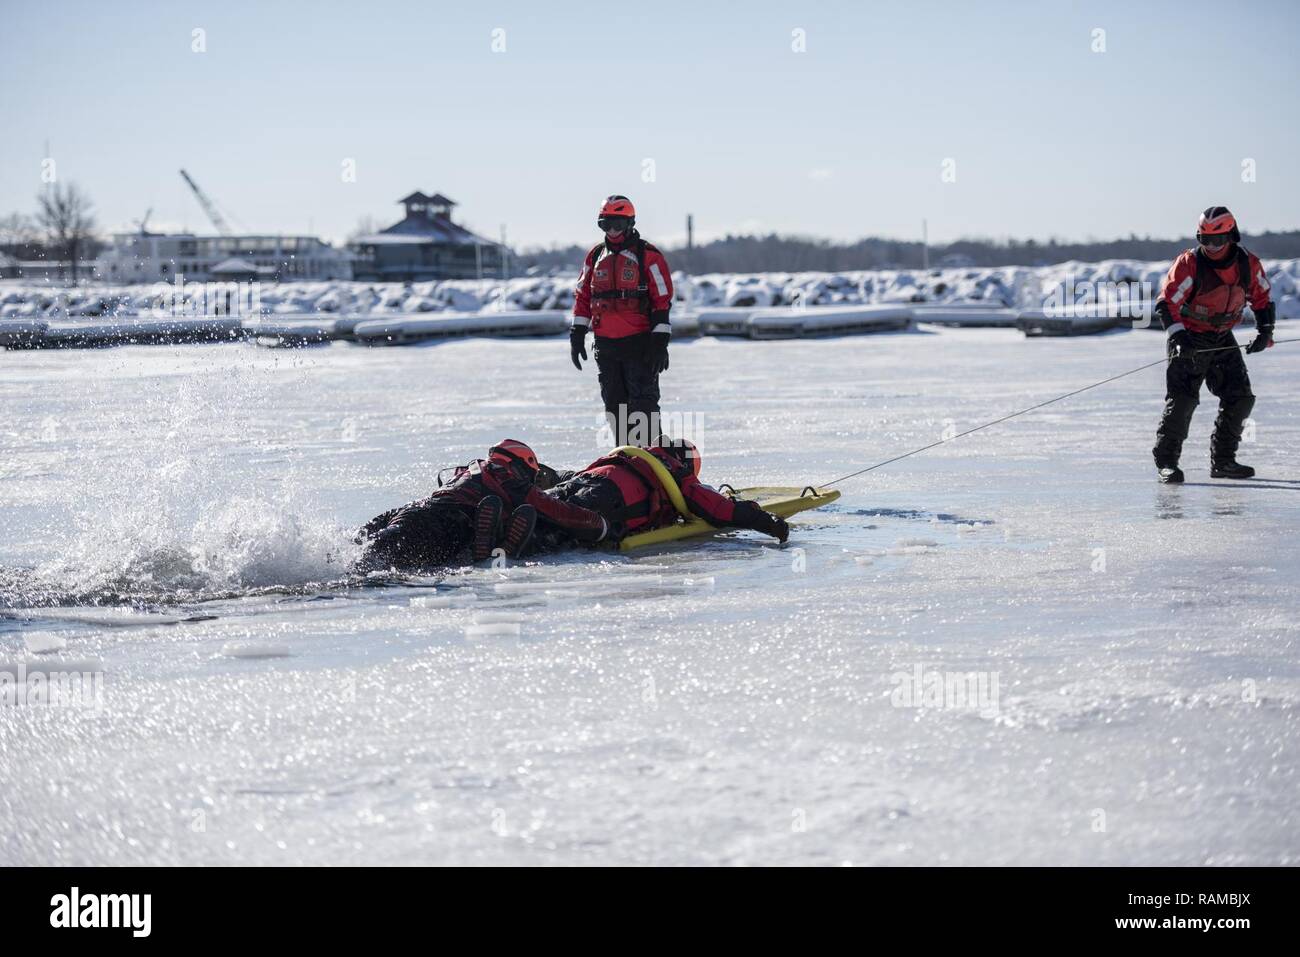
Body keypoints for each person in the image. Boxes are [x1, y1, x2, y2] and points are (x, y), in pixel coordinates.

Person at [1152, 207, 1275, 483]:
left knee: (1240, 397)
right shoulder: (1190, 264)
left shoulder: (1247, 264)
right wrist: (1179, 338)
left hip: (1221, 336)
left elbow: (1262, 298)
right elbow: (1166, 303)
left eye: (1217, 241)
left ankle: (1223, 461)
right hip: (1190, 335)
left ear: (1231, 236)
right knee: (1182, 400)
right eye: (1204, 240)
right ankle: (1167, 463)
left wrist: (1265, 331)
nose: (1210, 247)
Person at [357, 439, 611, 571]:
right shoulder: (513, 482)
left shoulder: (470, 470)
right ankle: (490, 548)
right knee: (378, 562)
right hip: (447, 527)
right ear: (522, 466)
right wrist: (601, 527)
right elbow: (560, 512)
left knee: (369, 550)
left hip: (415, 511)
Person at [534, 437, 789, 551]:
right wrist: (767, 522)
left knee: (546, 505)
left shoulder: (633, 457)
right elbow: (719, 510)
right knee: (558, 532)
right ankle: (531, 537)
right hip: (611, 502)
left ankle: (507, 520)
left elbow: (572, 476)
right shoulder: (678, 476)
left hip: (586, 480)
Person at [569, 195, 674, 447]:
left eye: (617, 224)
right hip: (606, 346)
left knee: (643, 406)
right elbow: (583, 296)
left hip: (639, 345)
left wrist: (660, 340)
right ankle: (627, 457)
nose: (612, 231)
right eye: (606, 225)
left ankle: (653, 457)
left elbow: (662, 298)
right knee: (615, 406)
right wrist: (577, 333)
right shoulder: (595, 256)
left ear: (630, 223)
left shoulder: (648, 255)